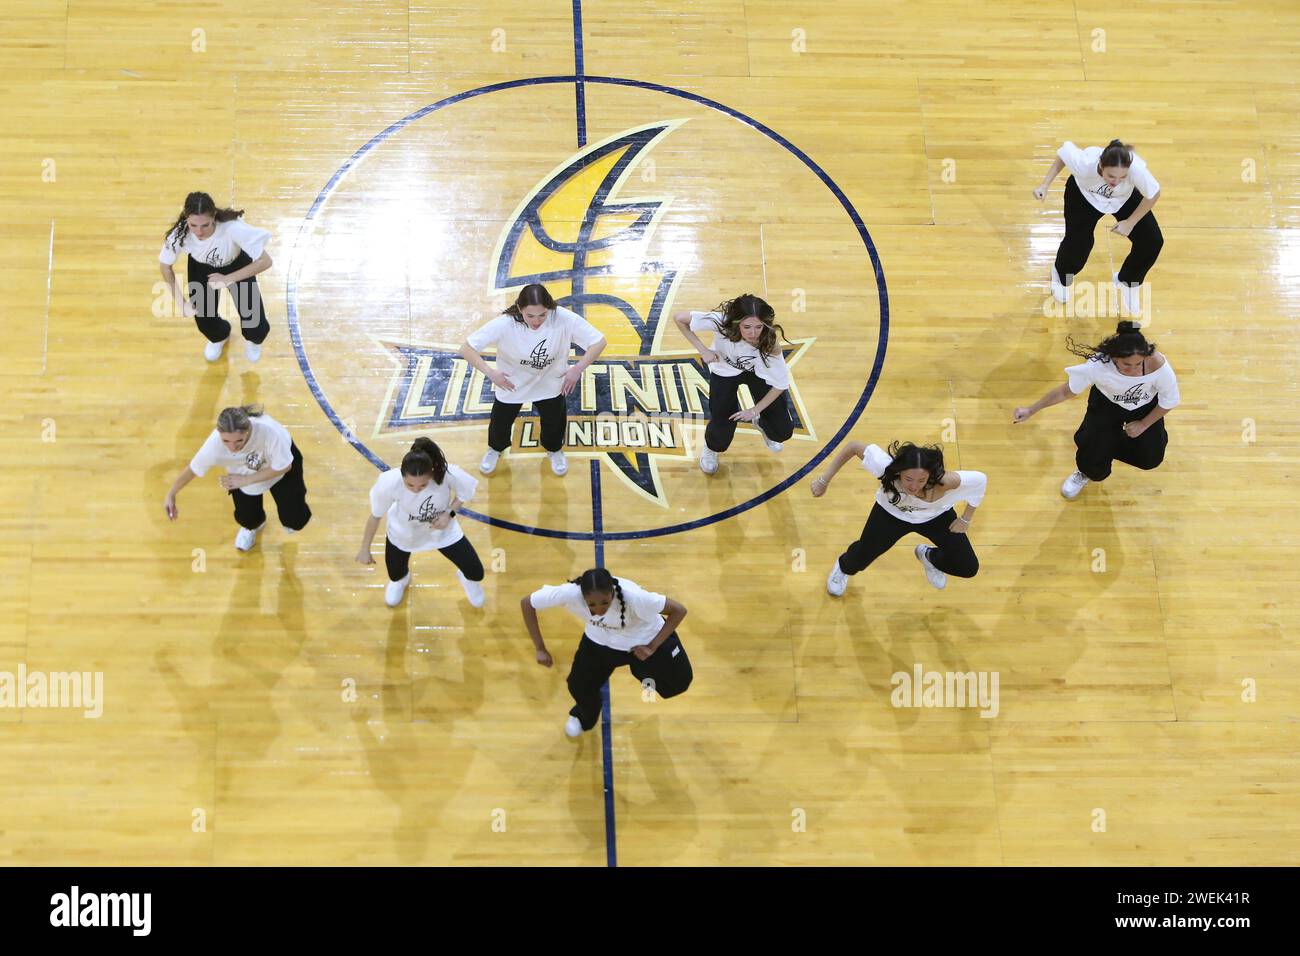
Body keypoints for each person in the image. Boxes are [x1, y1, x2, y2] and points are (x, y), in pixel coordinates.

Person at [1014, 320, 1179, 499]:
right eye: (1126, 365)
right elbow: (1065, 391)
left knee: (1150, 459)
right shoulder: (1098, 366)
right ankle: (1087, 468)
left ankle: (1105, 446)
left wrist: (1144, 424)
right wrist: (1031, 410)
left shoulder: (1157, 364)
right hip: (1106, 404)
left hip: (1145, 407)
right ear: (1114, 357)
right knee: (1094, 455)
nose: (1133, 370)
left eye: (1138, 364)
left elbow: (1169, 400)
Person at [521, 569, 692, 738]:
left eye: (604, 602)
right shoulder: (569, 593)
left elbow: (679, 610)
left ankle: (641, 672)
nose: (599, 609)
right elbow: (527, 603)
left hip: (644, 642)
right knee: (578, 686)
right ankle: (583, 717)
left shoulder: (635, 597)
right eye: (592, 605)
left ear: (612, 591)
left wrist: (653, 647)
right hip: (600, 642)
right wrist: (540, 648)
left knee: (679, 683)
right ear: (582, 596)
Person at [458, 284, 607, 477]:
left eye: (542, 315)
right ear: (520, 309)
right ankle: (495, 449)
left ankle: (554, 449)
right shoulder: (505, 323)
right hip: (512, 383)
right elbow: (466, 348)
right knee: (500, 423)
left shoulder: (563, 318)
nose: (536, 321)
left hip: (550, 382)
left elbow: (599, 341)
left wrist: (578, 369)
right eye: (530, 316)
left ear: (550, 309)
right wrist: (491, 373)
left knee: (554, 421)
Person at [812, 441, 984, 595]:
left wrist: (965, 519)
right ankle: (843, 568)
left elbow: (980, 482)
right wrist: (823, 480)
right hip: (891, 514)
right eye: (908, 479)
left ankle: (928, 556)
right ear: (899, 471)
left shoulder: (945, 481)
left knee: (967, 566)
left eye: (921, 480)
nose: (914, 486)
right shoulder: (885, 467)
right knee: (863, 554)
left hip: (936, 516)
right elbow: (853, 447)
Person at [1034, 139, 1163, 314]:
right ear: (1101, 165)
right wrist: (1045, 184)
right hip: (1084, 196)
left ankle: (1128, 282)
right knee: (1079, 244)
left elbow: (1153, 193)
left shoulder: (1135, 169)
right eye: (1111, 176)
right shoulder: (1085, 162)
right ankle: (1061, 276)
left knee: (1152, 240)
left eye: (1122, 177)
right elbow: (1063, 155)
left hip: (1123, 198)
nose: (1116, 181)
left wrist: (1130, 223)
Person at [356, 437, 485, 608]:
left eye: (422, 485)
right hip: (403, 534)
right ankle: (401, 581)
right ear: (401, 474)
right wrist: (364, 548)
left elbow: (465, 491)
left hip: (442, 531)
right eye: (410, 485)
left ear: (432, 473)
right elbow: (375, 516)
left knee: (476, 572)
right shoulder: (388, 482)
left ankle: (467, 580)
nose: (416, 490)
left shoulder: (447, 474)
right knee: (395, 574)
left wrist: (449, 514)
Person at [672, 294, 795, 474]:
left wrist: (754, 411)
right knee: (721, 429)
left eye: (758, 326)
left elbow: (780, 384)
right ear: (736, 322)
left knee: (783, 431)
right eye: (746, 327)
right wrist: (703, 349)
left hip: (758, 374)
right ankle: (711, 448)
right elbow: (679, 318)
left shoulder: (769, 342)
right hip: (725, 371)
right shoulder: (721, 323)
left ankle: (760, 423)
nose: (753, 333)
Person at [164, 405, 310, 551]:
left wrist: (246, 480)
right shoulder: (213, 445)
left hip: (280, 468)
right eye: (226, 441)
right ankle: (253, 527)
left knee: (295, 520)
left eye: (239, 441)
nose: (232, 447)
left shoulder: (268, 432)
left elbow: (284, 466)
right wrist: (171, 493)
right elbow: (192, 469)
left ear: (248, 431)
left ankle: (290, 518)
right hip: (244, 473)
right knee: (248, 519)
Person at [159, 191, 273, 362]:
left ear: (213, 216)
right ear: (186, 218)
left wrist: (227, 279)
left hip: (236, 264)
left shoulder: (232, 228)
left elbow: (265, 261)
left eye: (205, 225)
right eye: (193, 225)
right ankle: (220, 336)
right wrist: (181, 303)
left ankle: (253, 340)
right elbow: (165, 267)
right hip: (201, 268)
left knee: (255, 320)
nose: (199, 232)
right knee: (204, 319)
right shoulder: (180, 233)